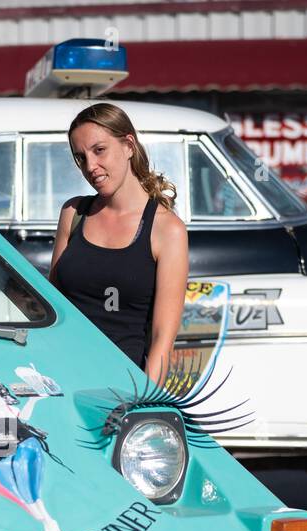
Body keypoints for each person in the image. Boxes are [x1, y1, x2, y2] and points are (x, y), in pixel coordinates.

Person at [49, 103, 189, 384]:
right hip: (60, 378)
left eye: (99, 150)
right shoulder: (73, 214)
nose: (90, 167)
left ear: (128, 145)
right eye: (80, 157)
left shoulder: (167, 230)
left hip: (121, 390)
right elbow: (52, 308)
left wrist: (144, 406)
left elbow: (163, 339)